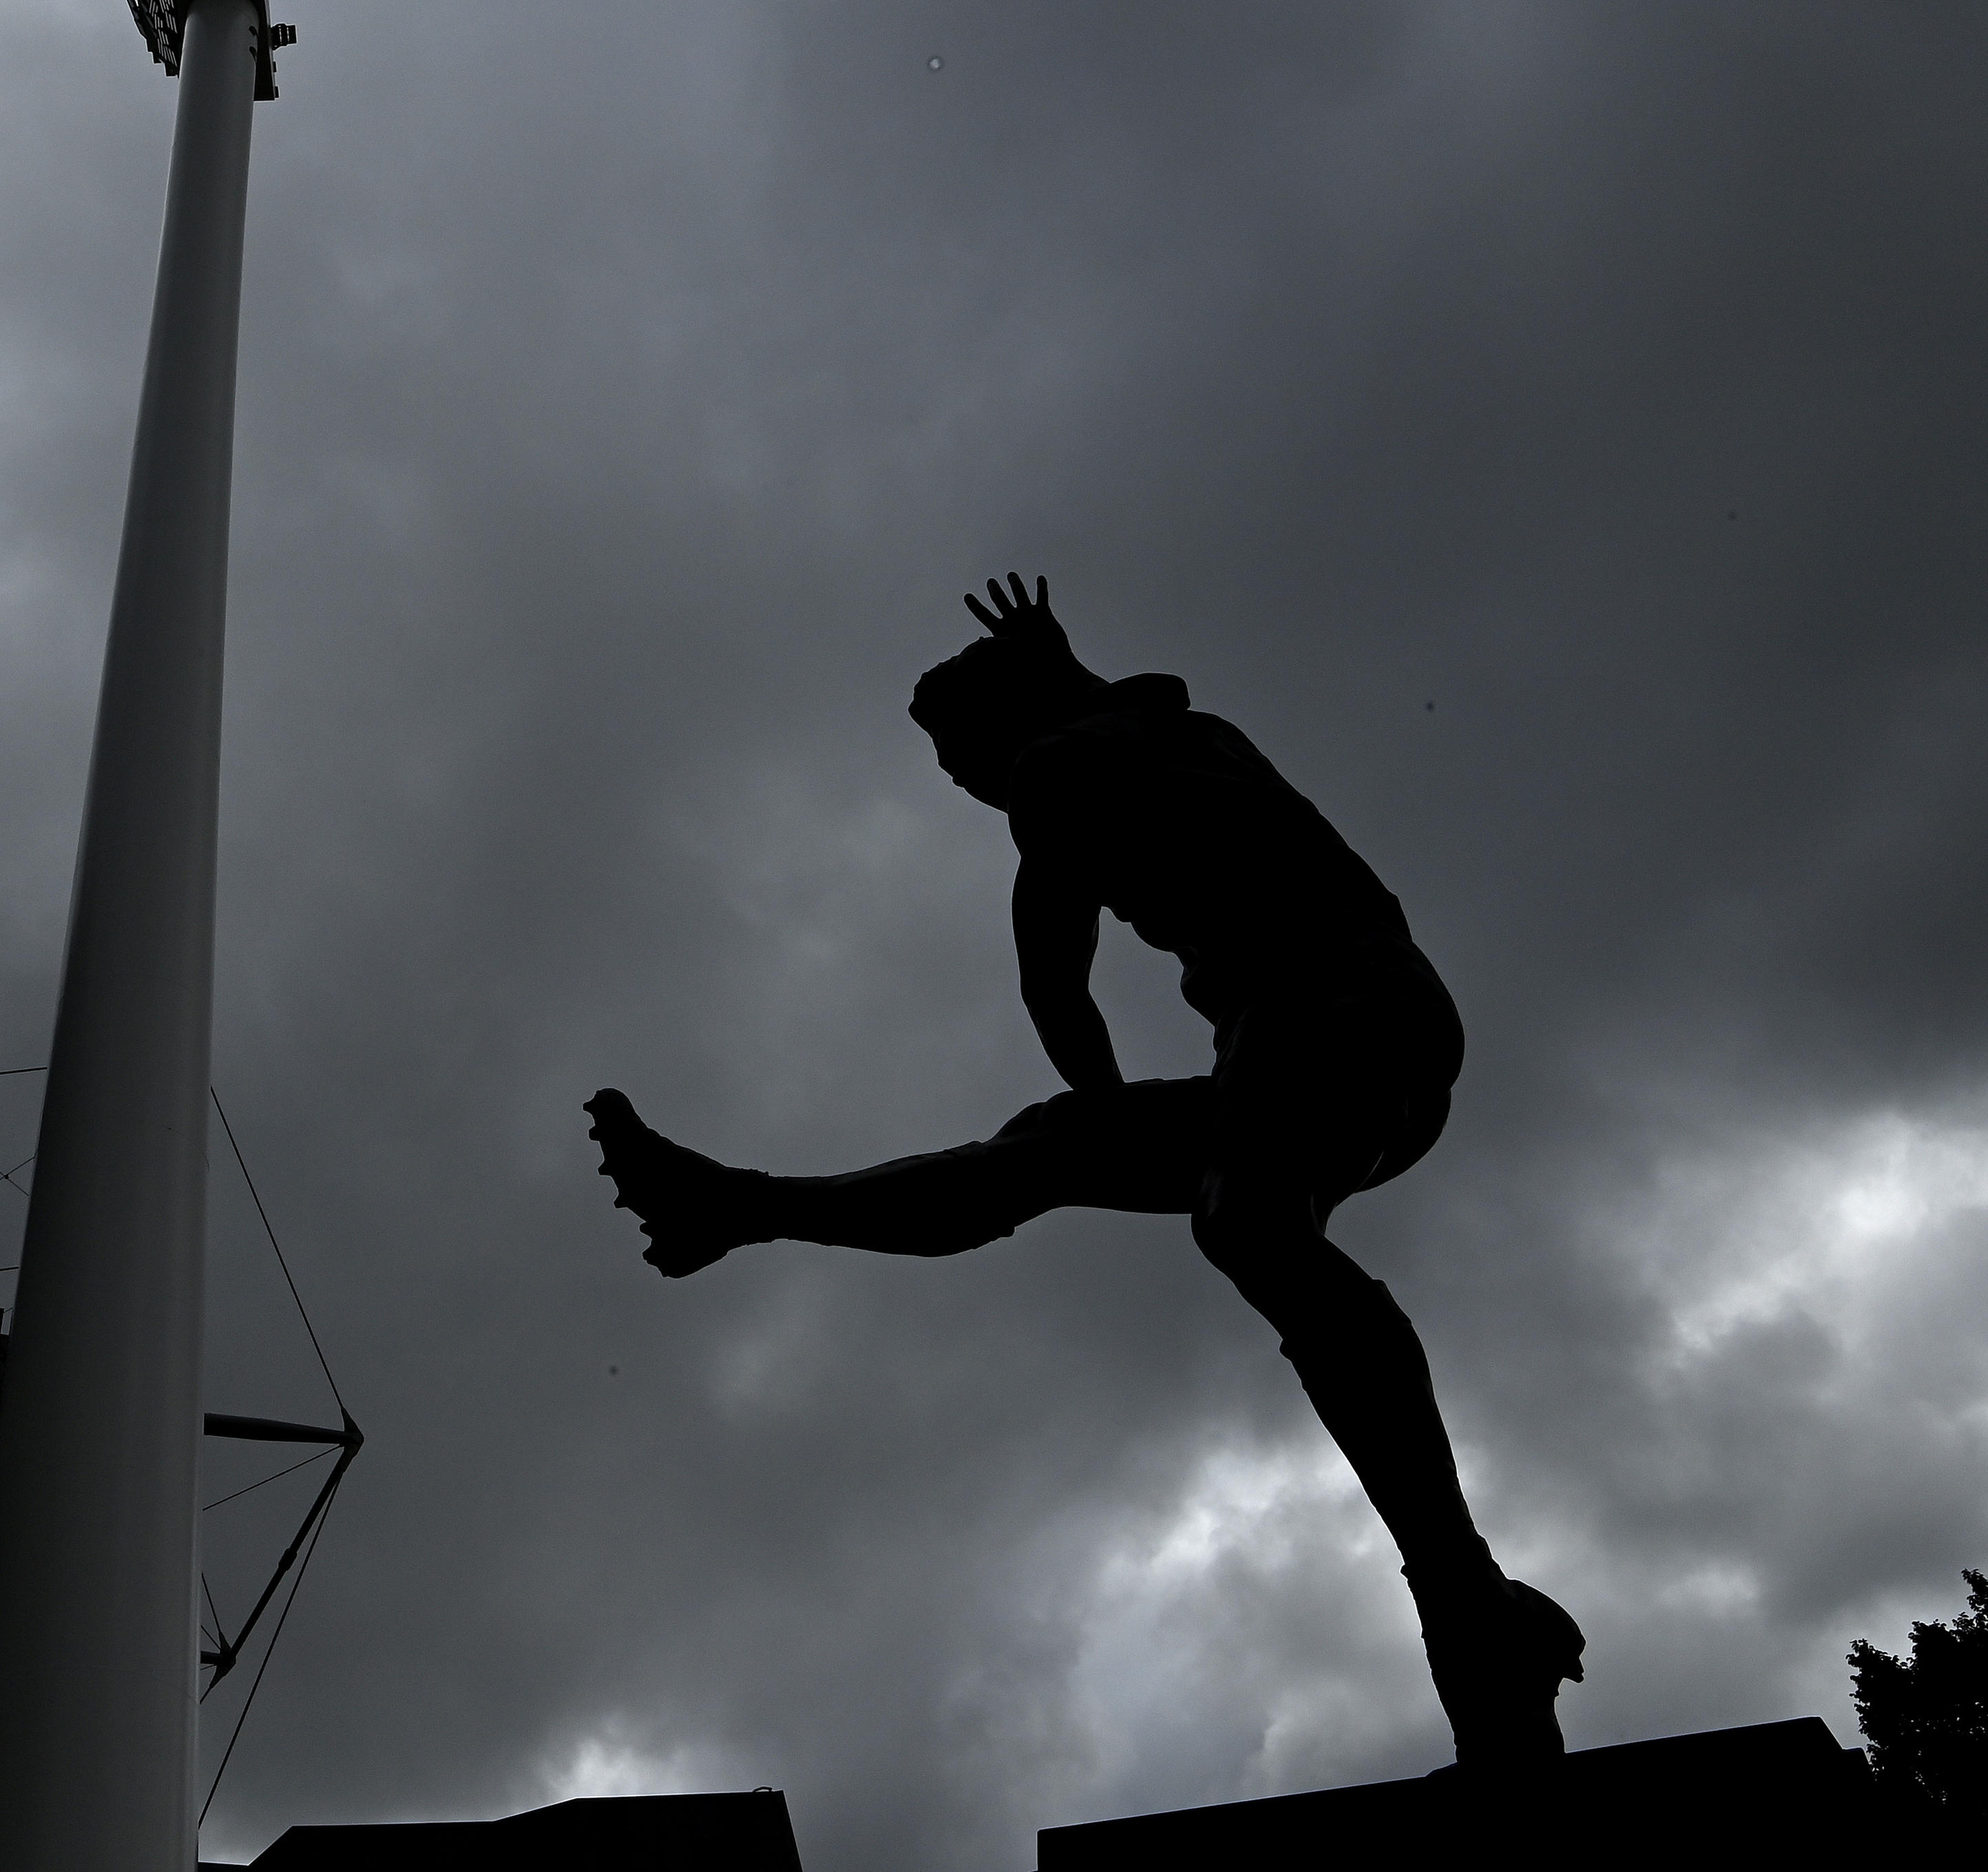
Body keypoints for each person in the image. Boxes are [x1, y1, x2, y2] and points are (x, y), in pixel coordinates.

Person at [584, 574, 1585, 1767]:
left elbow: (1053, 980)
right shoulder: (1163, 728)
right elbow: (1131, 710)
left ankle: (1468, 1604)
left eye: (959, 760)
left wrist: (1109, 1112)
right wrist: (1063, 664)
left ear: (998, 733)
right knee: (1065, 1152)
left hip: (1337, 1005)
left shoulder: (1057, 767)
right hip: (1352, 1026)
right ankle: (740, 1206)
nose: (965, 787)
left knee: (1241, 1216)